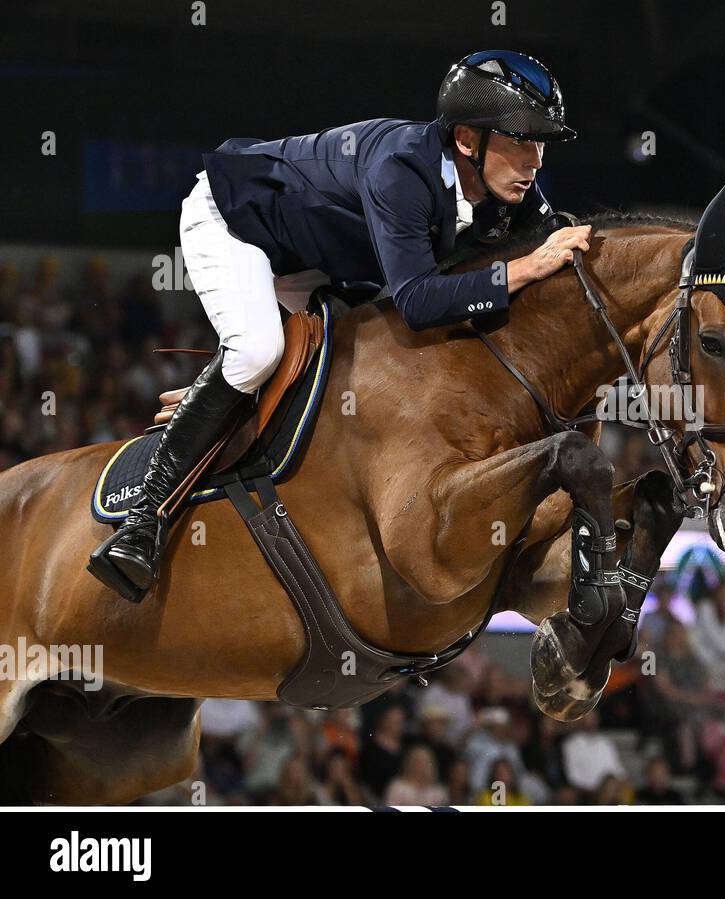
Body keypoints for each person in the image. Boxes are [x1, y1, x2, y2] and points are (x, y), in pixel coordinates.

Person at [89, 50, 593, 601]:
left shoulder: (507, 194)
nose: (537, 160)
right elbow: (421, 301)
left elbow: (559, 248)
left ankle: (231, 405)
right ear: (469, 140)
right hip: (239, 223)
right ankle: (144, 518)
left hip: (323, 262)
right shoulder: (401, 168)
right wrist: (524, 267)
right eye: (522, 140)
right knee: (258, 352)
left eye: (541, 142)